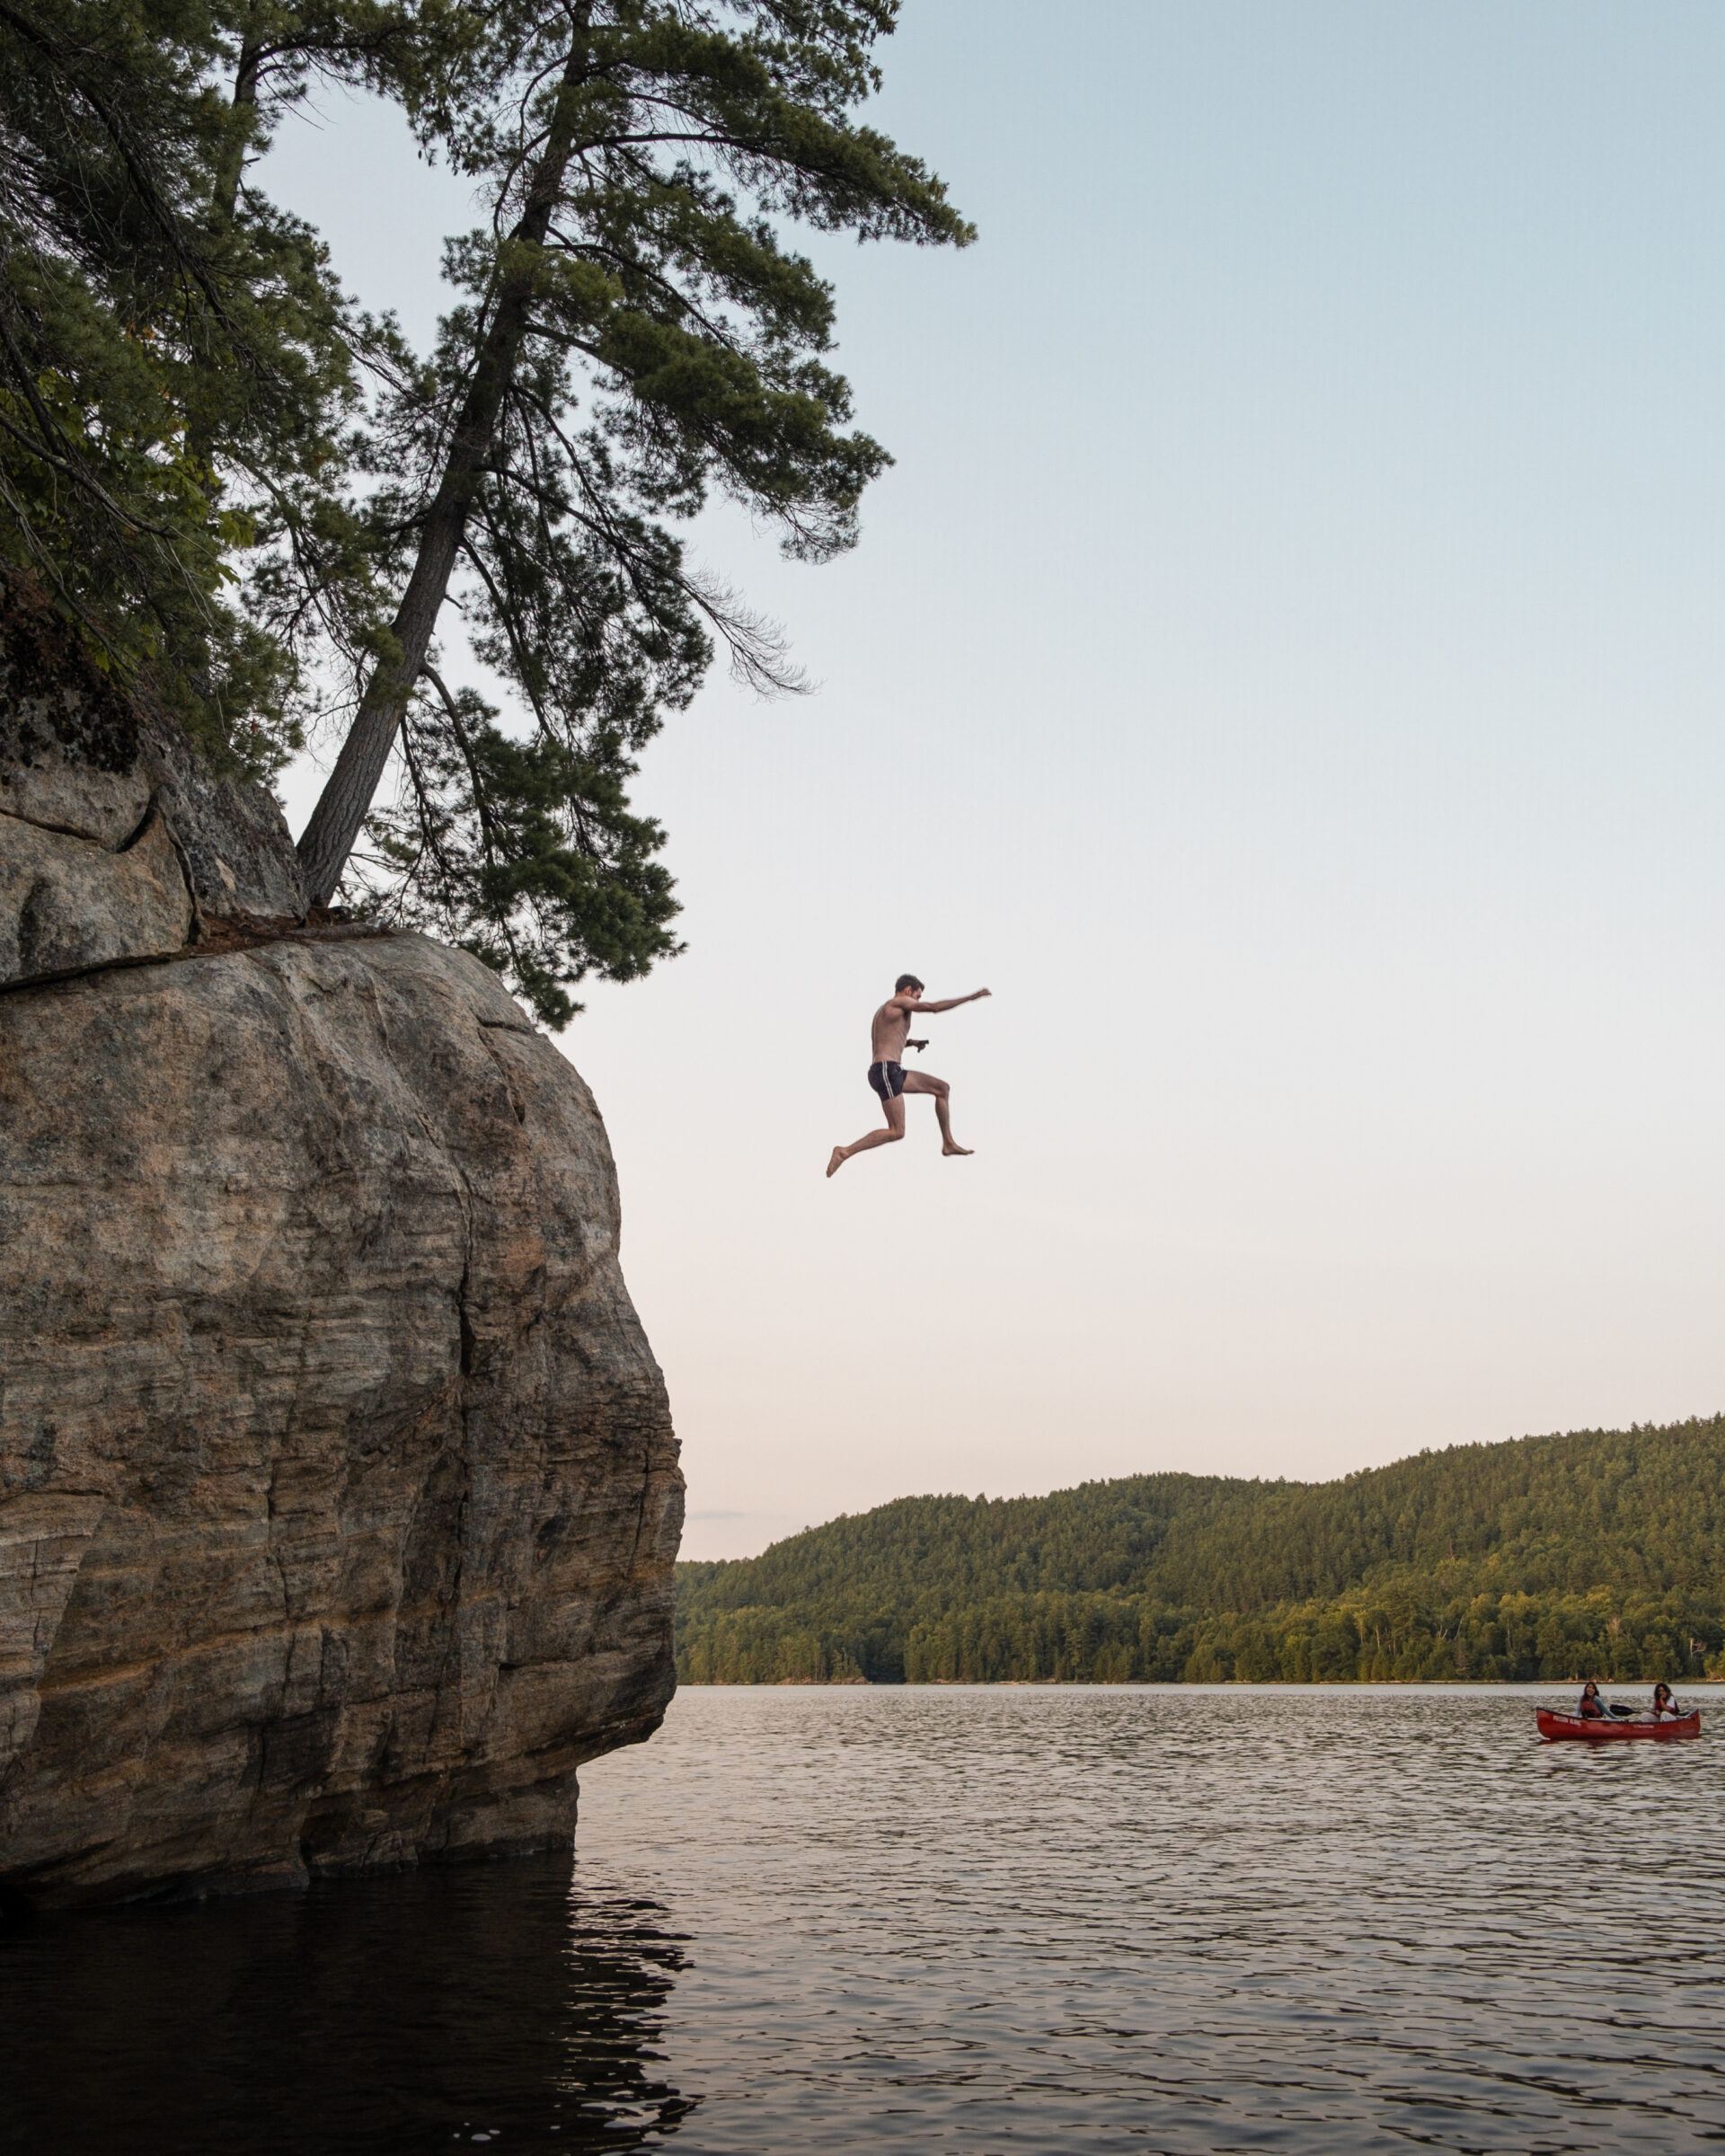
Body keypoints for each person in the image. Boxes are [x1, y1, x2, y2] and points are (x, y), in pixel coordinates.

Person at [827, 973, 991, 1178]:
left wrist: (910, 1043)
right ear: (907, 991)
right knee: (897, 1131)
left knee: (942, 1089)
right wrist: (970, 997)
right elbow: (934, 1008)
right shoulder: (897, 1004)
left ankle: (948, 1143)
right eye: (917, 996)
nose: (918, 1001)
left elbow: (887, 1039)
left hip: (890, 1070)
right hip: (885, 1071)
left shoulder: (885, 1011)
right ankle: (844, 1151)